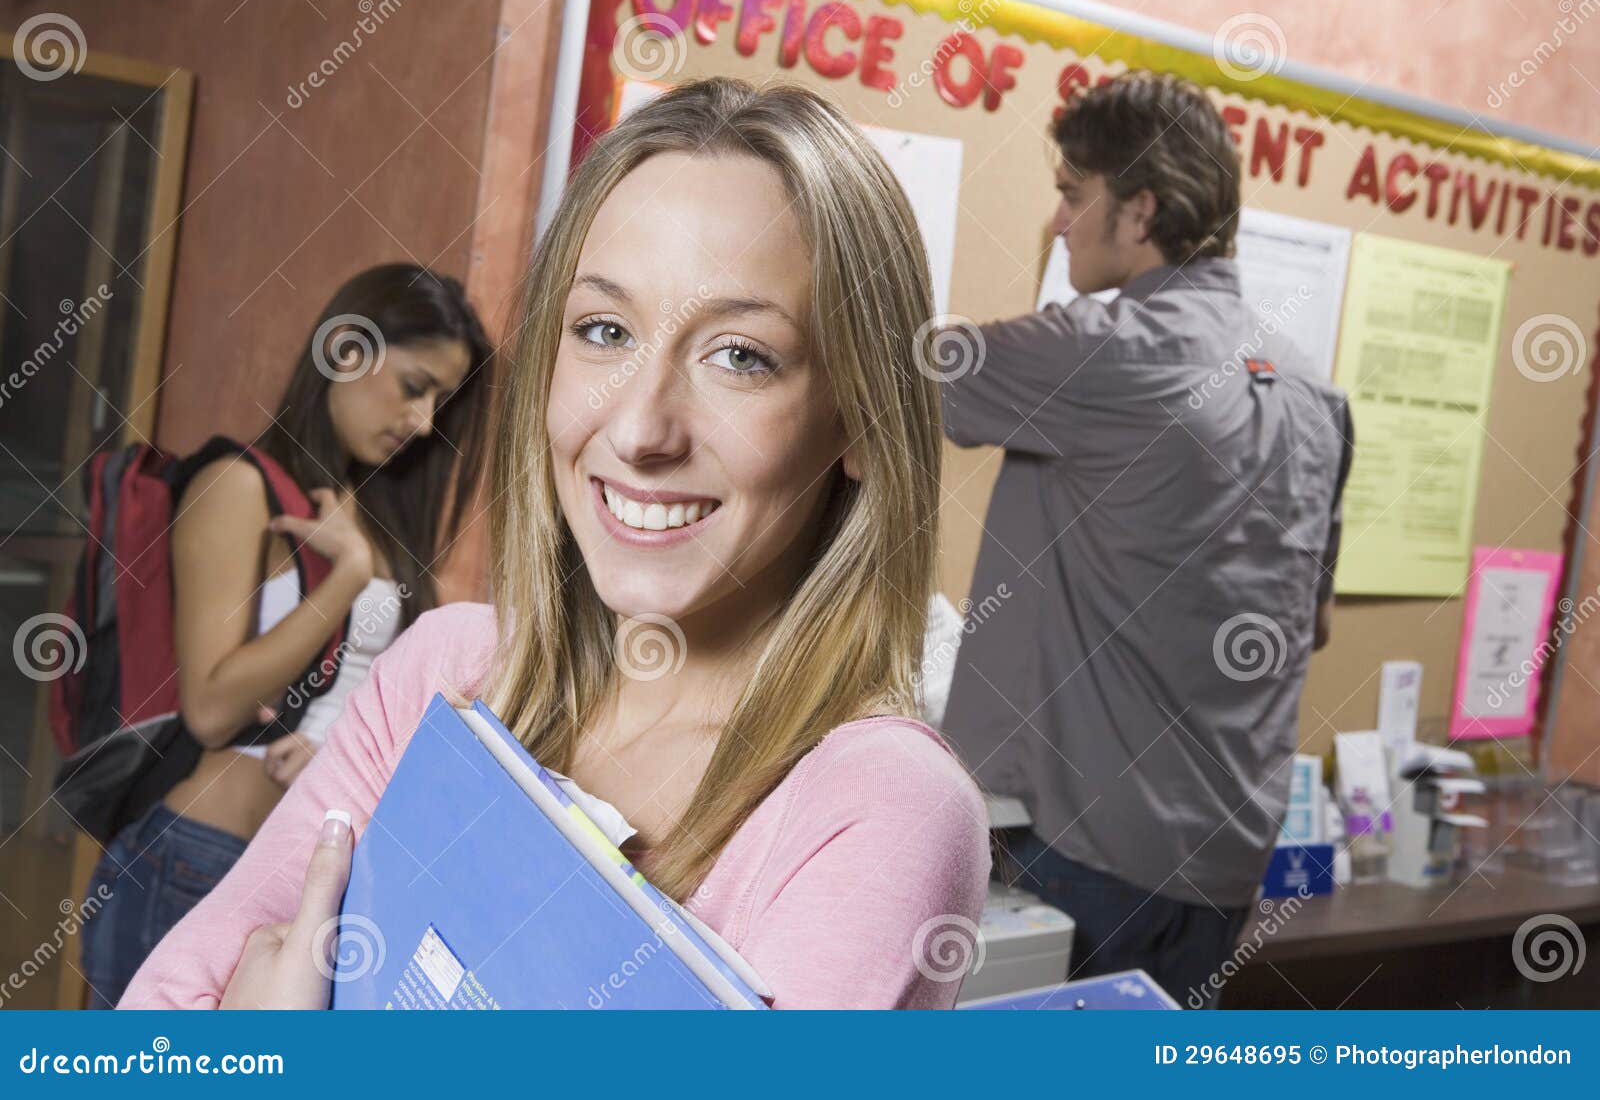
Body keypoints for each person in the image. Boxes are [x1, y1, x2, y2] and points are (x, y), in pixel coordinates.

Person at [118, 77, 990, 1011]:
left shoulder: (878, 809)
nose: (640, 429)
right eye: (604, 331)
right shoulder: (446, 670)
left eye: (740, 354)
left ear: (861, 417)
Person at [937, 70, 1352, 1007]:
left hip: (1085, 856)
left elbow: (905, 365)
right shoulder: (1314, 394)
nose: (1057, 224)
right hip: (1224, 868)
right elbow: (1312, 621)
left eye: (1072, 194)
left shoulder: (1113, 350)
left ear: (1141, 210)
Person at [82, 264, 495, 1007]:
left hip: (314, 891)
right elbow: (212, 709)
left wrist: (334, 755)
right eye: (414, 386)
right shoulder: (238, 486)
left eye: (441, 400)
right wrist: (345, 578)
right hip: (197, 862)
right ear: (348, 351)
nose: (424, 420)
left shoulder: (372, 516)